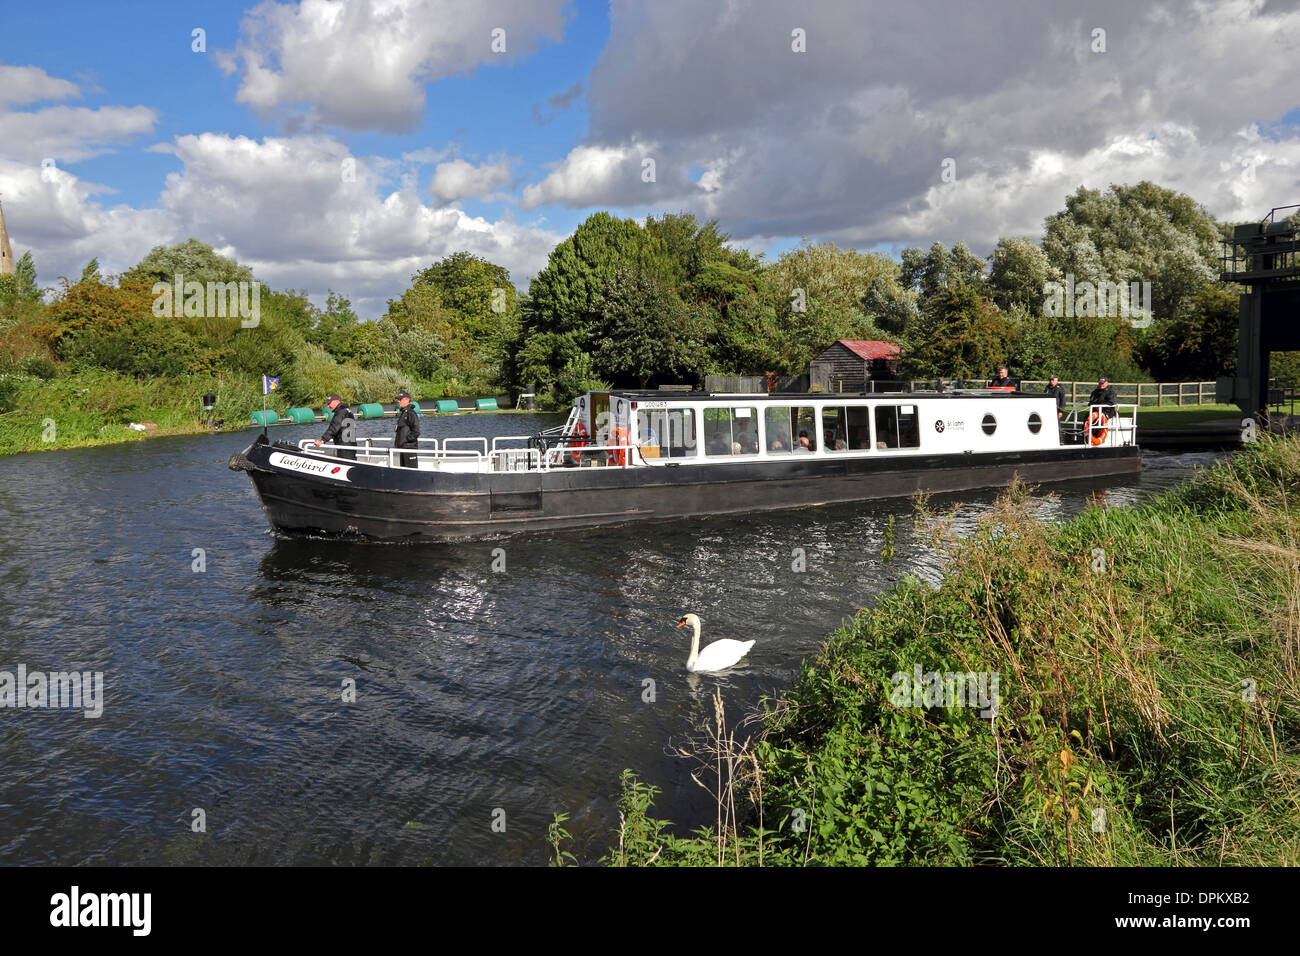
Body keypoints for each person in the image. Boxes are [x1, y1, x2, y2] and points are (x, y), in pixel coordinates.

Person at [315, 395, 357, 461]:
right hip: (351, 445)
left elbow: (334, 427)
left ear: (336, 402)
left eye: (329, 403)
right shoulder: (347, 410)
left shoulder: (340, 412)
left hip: (344, 447)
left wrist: (322, 440)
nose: (328, 406)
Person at [394, 391, 420, 468]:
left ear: (407, 400)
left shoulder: (411, 413)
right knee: (403, 470)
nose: (398, 401)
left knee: (411, 472)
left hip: (409, 448)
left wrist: (407, 440)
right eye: (398, 399)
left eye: (400, 399)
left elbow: (416, 431)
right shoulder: (404, 413)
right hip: (403, 448)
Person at [1087, 376, 1118, 441]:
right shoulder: (1095, 391)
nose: (1101, 385)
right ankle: (1086, 436)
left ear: (1107, 383)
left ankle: (1096, 439)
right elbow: (1091, 400)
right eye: (1100, 383)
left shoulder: (1110, 392)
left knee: (1098, 421)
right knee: (1087, 417)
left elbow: (1111, 402)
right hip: (1095, 412)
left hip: (1107, 411)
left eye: (1103, 383)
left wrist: (1100, 405)